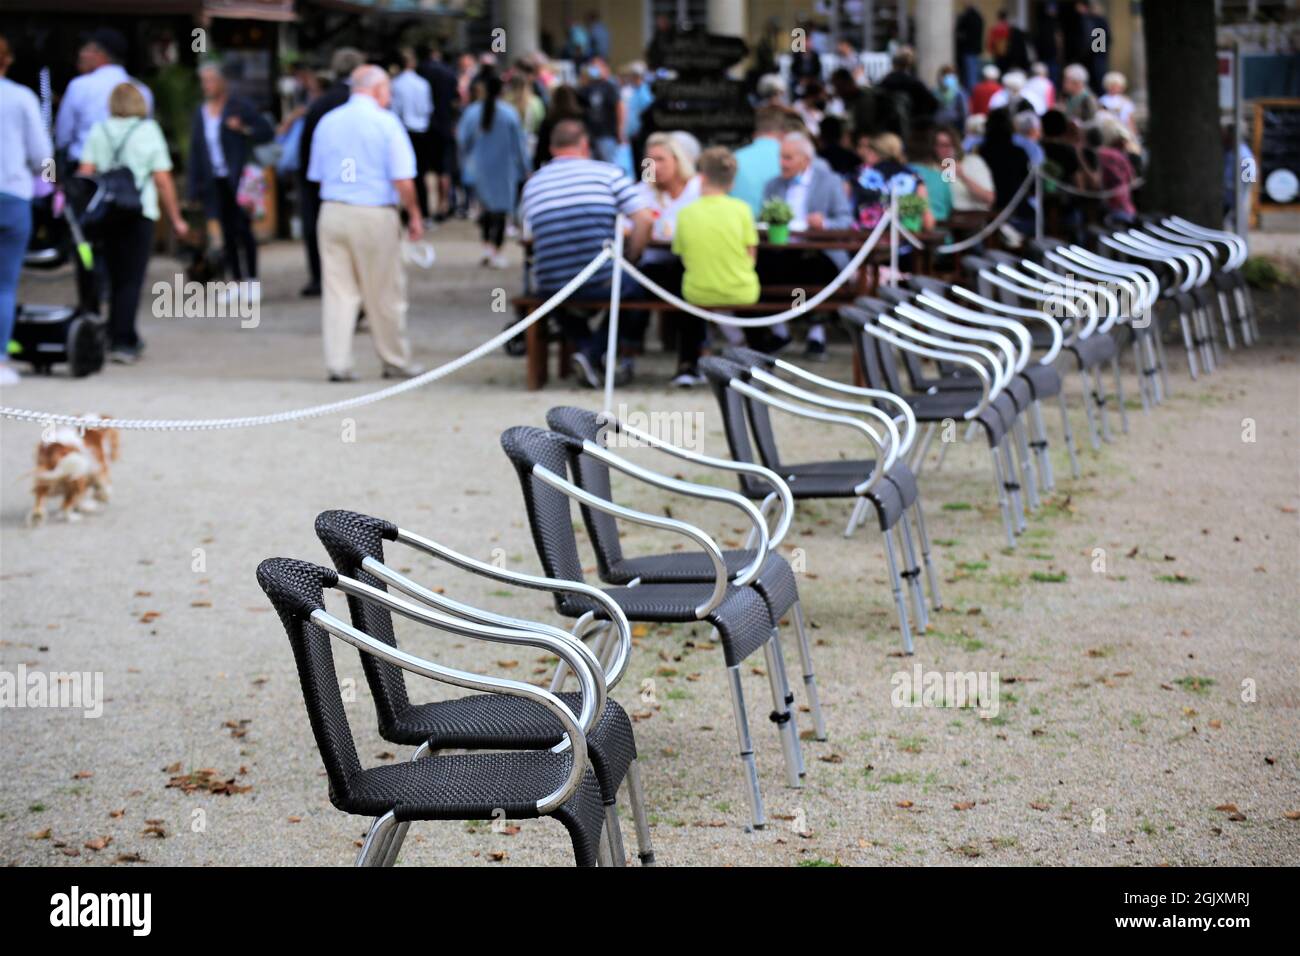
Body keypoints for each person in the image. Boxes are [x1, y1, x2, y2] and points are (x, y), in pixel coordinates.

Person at [307, 64, 423, 382]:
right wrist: (413, 213)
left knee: (338, 290)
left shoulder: (328, 122)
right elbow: (403, 178)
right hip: (373, 211)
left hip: (332, 210)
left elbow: (315, 174)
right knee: (383, 290)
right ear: (378, 89)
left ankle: (338, 362)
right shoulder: (386, 123)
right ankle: (394, 359)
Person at [520, 119, 654, 387]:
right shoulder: (608, 174)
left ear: (551, 148)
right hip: (600, 278)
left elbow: (528, 235)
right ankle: (594, 352)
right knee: (640, 288)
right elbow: (645, 220)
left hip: (551, 282)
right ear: (584, 144)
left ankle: (585, 350)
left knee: (554, 289)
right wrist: (631, 258)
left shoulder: (533, 184)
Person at [77, 82, 187, 364]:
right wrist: (176, 217)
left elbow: (85, 172)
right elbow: (162, 179)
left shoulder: (99, 129)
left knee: (111, 275)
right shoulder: (148, 131)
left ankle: (110, 332)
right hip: (139, 212)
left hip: (106, 214)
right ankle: (122, 341)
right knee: (130, 279)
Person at [761, 131, 854, 360]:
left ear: (805, 159)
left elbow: (845, 219)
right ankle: (779, 330)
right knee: (762, 265)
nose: (782, 164)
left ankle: (816, 333)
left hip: (819, 250)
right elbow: (763, 217)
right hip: (783, 250)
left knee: (813, 270)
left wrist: (825, 223)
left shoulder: (829, 181)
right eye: (781, 158)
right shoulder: (773, 185)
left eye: (788, 158)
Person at [672, 147, 760, 385]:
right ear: (731, 181)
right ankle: (755, 355)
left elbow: (682, 256)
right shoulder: (742, 210)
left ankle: (688, 365)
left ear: (701, 177)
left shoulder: (685, 213)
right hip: (741, 289)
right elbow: (751, 255)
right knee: (747, 298)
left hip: (697, 291)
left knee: (690, 301)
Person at [187, 63, 273, 289]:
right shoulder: (201, 111)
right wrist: (193, 187)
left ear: (222, 82)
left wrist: (243, 129)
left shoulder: (238, 106)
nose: (207, 86)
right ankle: (235, 281)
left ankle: (252, 281)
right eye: (204, 81)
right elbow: (196, 149)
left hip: (240, 177)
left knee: (243, 229)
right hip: (215, 179)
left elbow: (266, 132)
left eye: (211, 80)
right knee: (226, 231)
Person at [0, 33, 54, 386]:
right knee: (4, 284)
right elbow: (42, 155)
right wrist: (47, 184)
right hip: (12, 195)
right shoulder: (20, 98)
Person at [297, 47, 365, 297]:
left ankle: (320, 277)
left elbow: (308, 147)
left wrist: (308, 177)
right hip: (360, 179)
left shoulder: (321, 104)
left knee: (320, 229)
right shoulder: (367, 101)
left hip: (326, 180)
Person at [457, 71, 529, 269]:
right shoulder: (509, 113)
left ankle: (487, 247)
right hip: (504, 170)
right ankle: (495, 250)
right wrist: (526, 168)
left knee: (485, 210)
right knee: (500, 212)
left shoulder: (472, 112)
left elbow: (462, 140)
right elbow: (520, 145)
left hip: (477, 169)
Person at [54, 29, 154, 167]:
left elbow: (63, 137)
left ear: (102, 55)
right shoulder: (143, 90)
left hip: (85, 171)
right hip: (133, 172)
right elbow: (147, 135)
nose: (81, 54)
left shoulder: (80, 86)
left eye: (87, 49)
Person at [853, 132, 935, 233]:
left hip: (865, 242)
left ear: (876, 152)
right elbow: (928, 222)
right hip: (903, 242)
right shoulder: (913, 177)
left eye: (870, 149)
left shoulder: (861, 175)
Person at [416, 45, 460, 221]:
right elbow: (455, 100)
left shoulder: (420, 73)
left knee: (426, 169)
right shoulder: (449, 74)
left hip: (425, 126)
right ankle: (443, 205)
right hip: (445, 124)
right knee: (444, 168)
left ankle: (429, 205)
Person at [391, 49, 435, 222]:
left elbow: (396, 110)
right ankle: (423, 210)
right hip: (422, 130)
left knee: (403, 172)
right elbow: (427, 108)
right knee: (420, 174)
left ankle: (406, 209)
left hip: (405, 130)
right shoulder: (423, 84)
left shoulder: (397, 84)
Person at [978, 107, 1033, 235]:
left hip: (994, 202)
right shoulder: (1018, 152)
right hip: (1012, 204)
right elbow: (1028, 182)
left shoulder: (981, 151)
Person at [730, 105, 788, 216]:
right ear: (783, 133)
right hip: (779, 229)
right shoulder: (791, 159)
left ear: (755, 133)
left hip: (740, 227)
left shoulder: (734, 158)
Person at [877, 46, 940, 133]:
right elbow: (934, 104)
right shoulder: (915, 83)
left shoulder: (884, 82)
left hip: (889, 131)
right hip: (913, 131)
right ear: (910, 63)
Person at [934, 125, 995, 212]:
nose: (943, 150)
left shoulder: (973, 162)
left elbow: (989, 198)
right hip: (945, 219)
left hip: (973, 217)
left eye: (947, 145)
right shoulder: (931, 167)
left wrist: (962, 176)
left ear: (956, 146)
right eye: (938, 145)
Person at [578, 57, 623, 164]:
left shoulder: (609, 87)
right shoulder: (587, 88)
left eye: (597, 66)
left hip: (606, 134)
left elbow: (619, 107)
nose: (594, 69)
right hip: (590, 134)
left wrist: (620, 129)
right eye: (592, 66)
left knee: (609, 164)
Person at [955, 4, 985, 92]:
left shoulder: (968, 18)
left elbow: (960, 32)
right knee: (973, 75)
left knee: (970, 77)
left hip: (968, 50)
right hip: (974, 50)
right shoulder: (978, 17)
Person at [1099, 71, 1137, 140]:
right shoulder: (1102, 101)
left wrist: (1133, 135)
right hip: (1108, 133)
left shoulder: (1126, 101)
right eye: (1113, 85)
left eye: (1117, 86)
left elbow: (1130, 120)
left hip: (1124, 132)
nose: (1115, 88)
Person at [934, 65, 967, 130]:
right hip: (938, 124)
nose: (946, 78)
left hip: (954, 124)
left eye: (949, 75)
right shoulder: (935, 92)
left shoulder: (959, 92)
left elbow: (964, 111)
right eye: (944, 75)